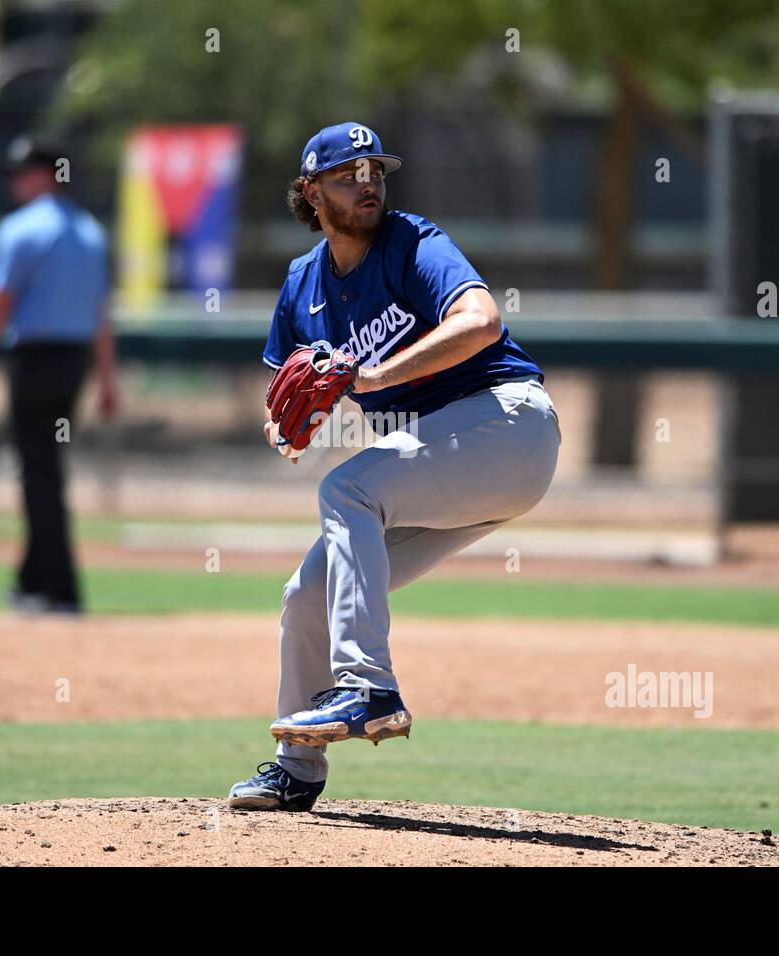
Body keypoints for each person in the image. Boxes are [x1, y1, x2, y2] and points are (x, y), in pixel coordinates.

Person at [228, 122, 561, 811]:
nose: (368, 183)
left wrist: (377, 377)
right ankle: (297, 770)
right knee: (305, 596)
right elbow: (282, 399)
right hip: (454, 461)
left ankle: (368, 689)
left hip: (507, 423)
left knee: (348, 488)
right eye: (348, 174)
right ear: (310, 192)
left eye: (375, 170)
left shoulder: (414, 242)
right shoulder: (301, 285)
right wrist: (286, 428)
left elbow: (482, 321)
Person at [0, 135, 120, 614]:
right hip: (74, 362)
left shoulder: (21, 230)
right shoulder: (91, 232)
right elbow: (101, 314)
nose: (15, 183)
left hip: (34, 359)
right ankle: (32, 579)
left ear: (48, 174)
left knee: (38, 473)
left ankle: (58, 588)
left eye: (23, 173)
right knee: (45, 471)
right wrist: (107, 380)